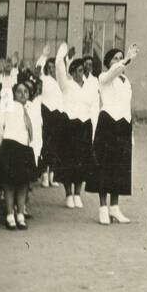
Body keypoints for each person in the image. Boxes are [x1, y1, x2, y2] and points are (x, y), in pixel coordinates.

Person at [90, 45, 138, 225]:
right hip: (108, 124)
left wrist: (130, 135)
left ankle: (114, 209)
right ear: (108, 63)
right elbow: (114, 72)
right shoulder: (103, 78)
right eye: (115, 59)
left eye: (120, 58)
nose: (119, 61)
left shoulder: (126, 81)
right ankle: (103, 209)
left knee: (119, 168)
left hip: (123, 125)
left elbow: (127, 106)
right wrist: (126, 60)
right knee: (105, 167)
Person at [56, 43, 95, 209]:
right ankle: (68, 194)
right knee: (68, 160)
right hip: (69, 125)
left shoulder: (90, 85)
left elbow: (93, 105)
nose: (83, 72)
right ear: (72, 72)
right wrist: (64, 53)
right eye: (80, 70)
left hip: (85, 126)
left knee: (82, 161)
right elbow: (59, 65)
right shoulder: (66, 84)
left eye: (84, 70)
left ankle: (78, 194)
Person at [0, 80, 37, 230]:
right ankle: (9, 215)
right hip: (10, 145)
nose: (23, 94)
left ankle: (20, 213)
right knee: (9, 184)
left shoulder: (31, 108)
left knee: (23, 184)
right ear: (14, 93)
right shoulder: (8, 106)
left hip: (25, 148)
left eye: (26, 92)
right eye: (19, 91)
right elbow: (1, 125)